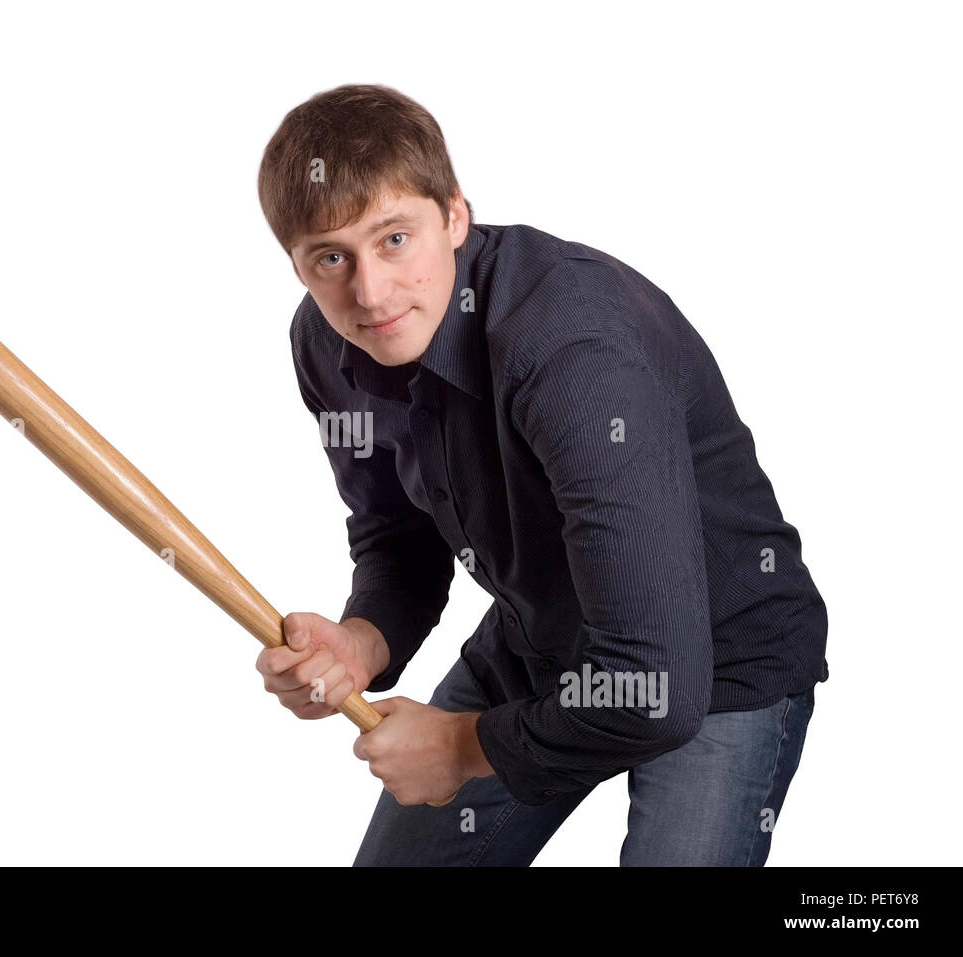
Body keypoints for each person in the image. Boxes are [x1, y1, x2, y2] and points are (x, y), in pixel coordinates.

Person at [254, 83, 828, 866]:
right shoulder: (328, 345)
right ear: (297, 265)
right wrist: (363, 639)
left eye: (394, 239)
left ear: (455, 214)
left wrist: (461, 745)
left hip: (713, 664)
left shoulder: (567, 348)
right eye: (330, 257)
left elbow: (655, 688)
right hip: (543, 639)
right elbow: (399, 535)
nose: (369, 292)